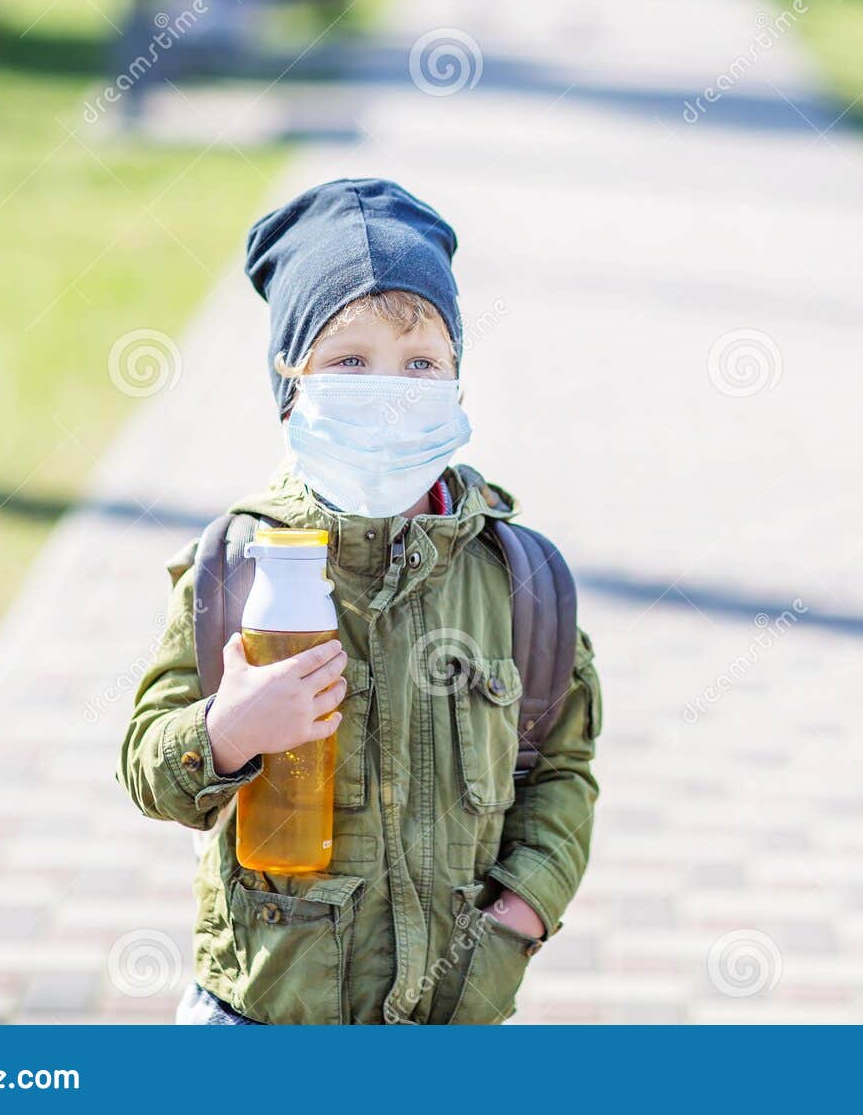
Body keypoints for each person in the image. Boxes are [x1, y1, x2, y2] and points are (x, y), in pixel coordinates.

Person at [116, 178, 602, 1024]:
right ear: (290, 385)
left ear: (456, 379)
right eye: (350, 361)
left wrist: (514, 924)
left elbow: (560, 769)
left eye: (420, 364)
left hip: (456, 1012)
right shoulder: (233, 566)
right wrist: (226, 733)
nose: (388, 389)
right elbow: (147, 767)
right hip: (262, 1018)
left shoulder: (519, 580)